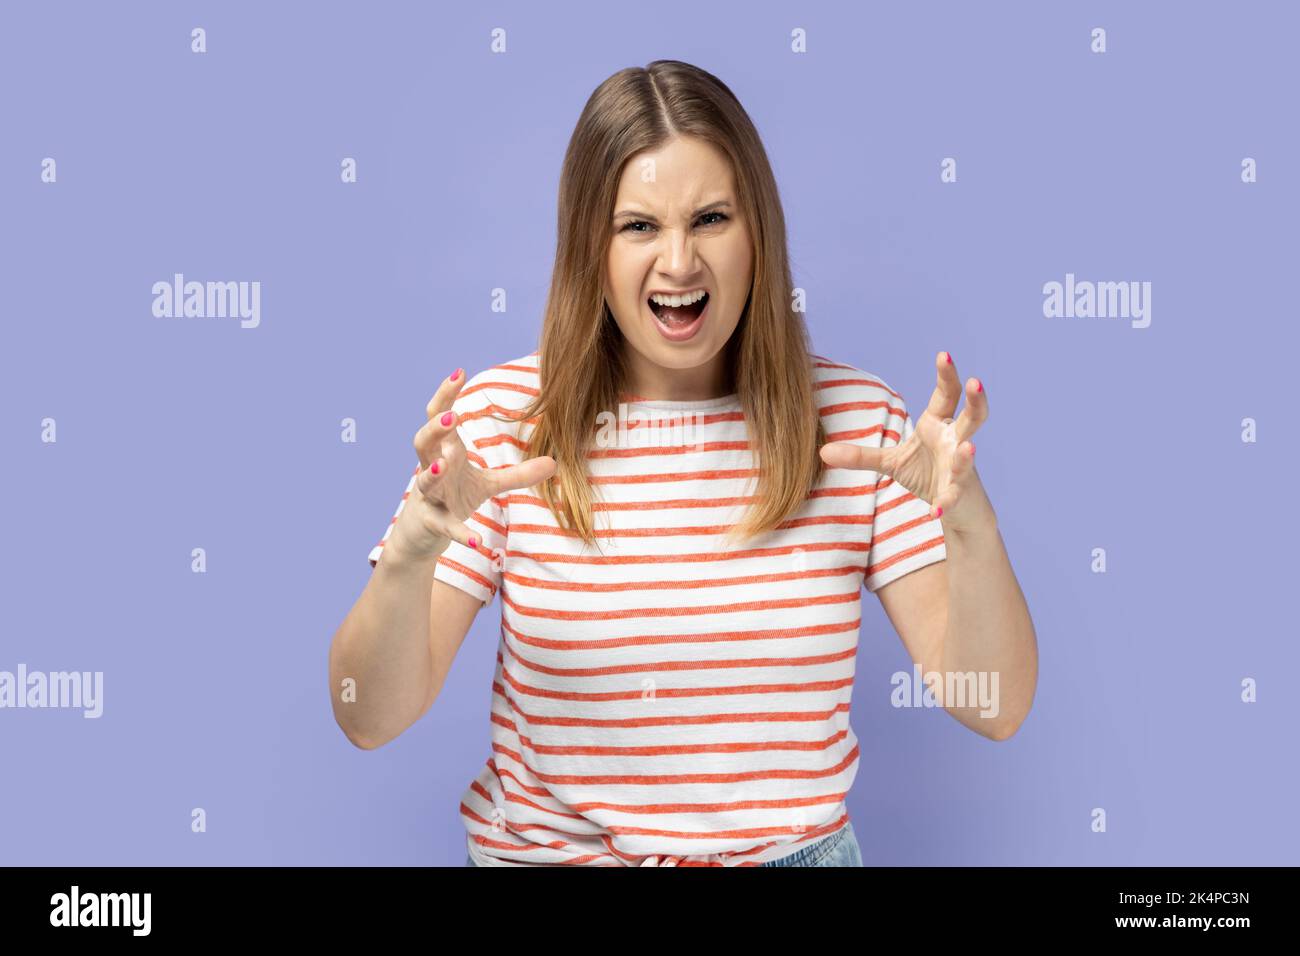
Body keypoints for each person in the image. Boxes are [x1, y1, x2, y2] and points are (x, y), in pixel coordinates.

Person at [329, 60, 1038, 868]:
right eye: (638, 226)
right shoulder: (501, 425)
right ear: (589, 245)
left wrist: (970, 520)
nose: (678, 264)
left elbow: (996, 705)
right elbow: (367, 717)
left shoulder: (857, 427)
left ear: (756, 231)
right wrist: (413, 555)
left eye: (709, 219)